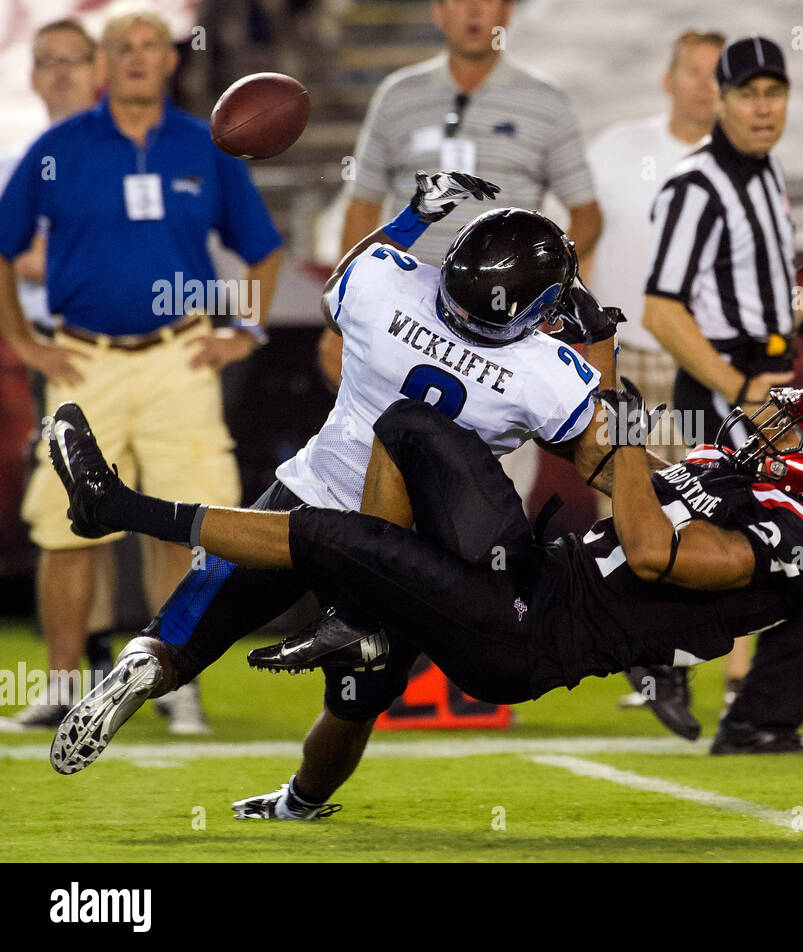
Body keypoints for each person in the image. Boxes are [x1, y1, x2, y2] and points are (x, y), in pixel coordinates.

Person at [48, 170, 626, 814]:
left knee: (181, 635)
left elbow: (334, 295)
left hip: (305, 499)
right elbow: (599, 443)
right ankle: (300, 801)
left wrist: (411, 219)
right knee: (351, 708)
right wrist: (599, 335)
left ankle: (146, 659)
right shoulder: (544, 374)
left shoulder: (384, 285)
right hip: (400, 557)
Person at [45, 378, 803, 816]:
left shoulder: (801, 545)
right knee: (410, 425)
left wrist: (627, 436)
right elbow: (625, 472)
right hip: (527, 576)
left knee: (340, 536)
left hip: (524, 640)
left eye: (787, 428)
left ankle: (113, 507)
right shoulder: (737, 484)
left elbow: (649, 544)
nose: (765, 428)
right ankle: (332, 714)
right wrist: (602, 409)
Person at [0, 8, 283, 732]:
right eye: (119, 47)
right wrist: (26, 341)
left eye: (147, 46)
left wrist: (245, 330)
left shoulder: (207, 145)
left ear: (169, 61)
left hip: (178, 358)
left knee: (185, 522)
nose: (133, 57)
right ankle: (64, 688)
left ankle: (176, 683)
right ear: (104, 64)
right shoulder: (58, 148)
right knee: (63, 531)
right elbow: (4, 246)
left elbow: (262, 248)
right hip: (83, 361)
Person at [641, 35, 803, 752]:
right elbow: (661, 311)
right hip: (725, 390)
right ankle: (675, 659)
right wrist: (738, 387)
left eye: (776, 93)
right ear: (721, 100)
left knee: (784, 548)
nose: (764, 107)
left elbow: (769, 288)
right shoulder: (695, 186)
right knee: (795, 546)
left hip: (763, 385)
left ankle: (742, 705)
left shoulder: (765, 178)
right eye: (749, 94)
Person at [319, 0, 602, 505]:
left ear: (508, 12)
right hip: (401, 318)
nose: (473, 10)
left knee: (480, 515)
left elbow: (587, 214)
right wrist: (339, 317)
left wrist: (545, 290)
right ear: (436, 11)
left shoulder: (545, 101)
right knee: (358, 496)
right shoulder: (397, 95)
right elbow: (361, 205)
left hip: (501, 337)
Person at [582, 29, 743, 719]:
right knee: (626, 506)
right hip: (626, 359)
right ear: (668, 79)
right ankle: (646, 660)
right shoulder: (619, 148)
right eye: (695, 72)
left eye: (718, 75)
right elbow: (576, 240)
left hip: (704, 363)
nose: (705, 86)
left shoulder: (745, 165)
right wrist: (584, 346)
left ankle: (732, 671)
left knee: (720, 508)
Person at [0, 19, 117, 719]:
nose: (63, 73)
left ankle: (162, 670)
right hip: (41, 345)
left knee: (117, 500)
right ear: (34, 74)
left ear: (96, 69)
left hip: (117, 340)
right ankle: (83, 663)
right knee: (63, 508)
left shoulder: (127, 146)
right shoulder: (21, 156)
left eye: (75, 60)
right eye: (50, 62)